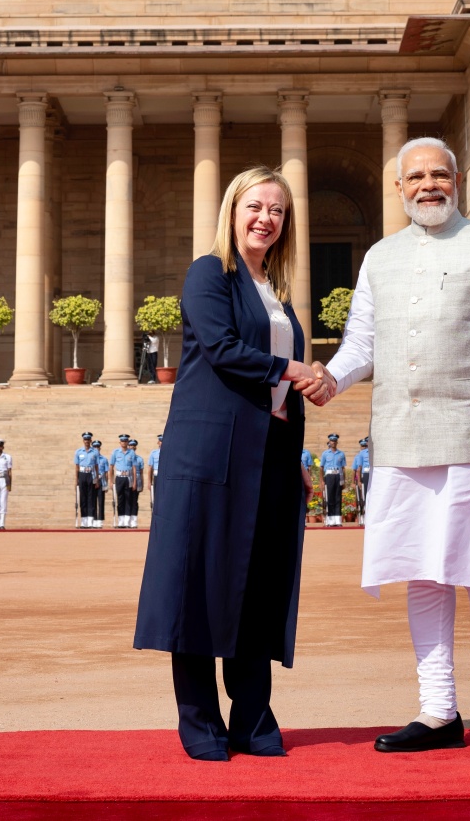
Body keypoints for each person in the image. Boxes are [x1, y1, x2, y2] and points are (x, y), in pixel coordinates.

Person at [312, 137, 470, 763]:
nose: (427, 186)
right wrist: (331, 378)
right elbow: (363, 340)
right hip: (402, 437)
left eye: (438, 175)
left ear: (457, 181)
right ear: (398, 188)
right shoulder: (378, 258)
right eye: (414, 177)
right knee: (423, 572)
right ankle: (438, 711)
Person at [134, 166, 313, 762]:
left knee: (258, 584)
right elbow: (223, 350)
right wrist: (295, 370)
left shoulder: (278, 293)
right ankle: (200, 722)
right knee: (199, 584)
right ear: (232, 210)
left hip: (268, 456)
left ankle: (253, 717)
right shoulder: (210, 273)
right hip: (208, 452)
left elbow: (276, 390)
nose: (266, 218)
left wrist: (297, 454)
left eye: (278, 211)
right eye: (256, 206)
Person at [319, 435, 347, 527]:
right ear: (329, 442)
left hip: (338, 476)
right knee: (330, 497)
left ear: (337, 442)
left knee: (338, 497)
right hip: (329, 475)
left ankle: (337, 519)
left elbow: (343, 468)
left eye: (335, 441)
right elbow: (321, 468)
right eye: (331, 441)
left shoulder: (341, 454)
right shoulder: (325, 454)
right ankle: (330, 520)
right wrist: (322, 481)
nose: (333, 442)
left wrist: (343, 481)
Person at [75, 432, 101, 528]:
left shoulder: (95, 452)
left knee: (91, 498)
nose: (86, 441)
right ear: (83, 441)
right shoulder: (78, 452)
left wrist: (97, 480)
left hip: (91, 474)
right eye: (85, 440)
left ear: (90, 441)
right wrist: (76, 479)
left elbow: (97, 467)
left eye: (88, 440)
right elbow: (77, 467)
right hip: (82, 474)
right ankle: (84, 521)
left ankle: (91, 521)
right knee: (83, 498)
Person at [110, 434, 135, 529]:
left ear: (127, 442)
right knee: (120, 499)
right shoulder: (115, 452)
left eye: (125, 441)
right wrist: (111, 481)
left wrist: (134, 482)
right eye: (122, 441)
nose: (124, 442)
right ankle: (120, 521)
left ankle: (127, 521)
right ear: (120, 442)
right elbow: (111, 467)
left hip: (128, 477)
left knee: (128, 499)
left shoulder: (131, 453)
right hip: (119, 477)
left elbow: (134, 468)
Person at [354, 437, 372, 525]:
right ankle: (365, 517)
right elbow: (358, 468)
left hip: (374, 474)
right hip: (366, 474)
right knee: (365, 496)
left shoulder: (376, 452)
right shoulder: (362, 453)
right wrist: (359, 481)